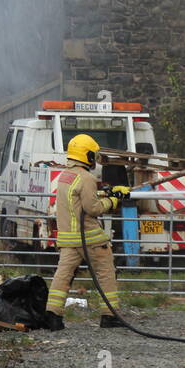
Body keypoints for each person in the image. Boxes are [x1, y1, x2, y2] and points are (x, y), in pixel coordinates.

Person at [45, 133, 130, 329]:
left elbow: (80, 198)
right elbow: (93, 209)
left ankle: (52, 316)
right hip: (90, 238)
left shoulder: (65, 176)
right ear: (88, 156)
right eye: (94, 155)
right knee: (106, 273)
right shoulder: (87, 178)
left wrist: (106, 192)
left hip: (68, 239)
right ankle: (110, 316)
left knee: (63, 275)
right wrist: (114, 200)